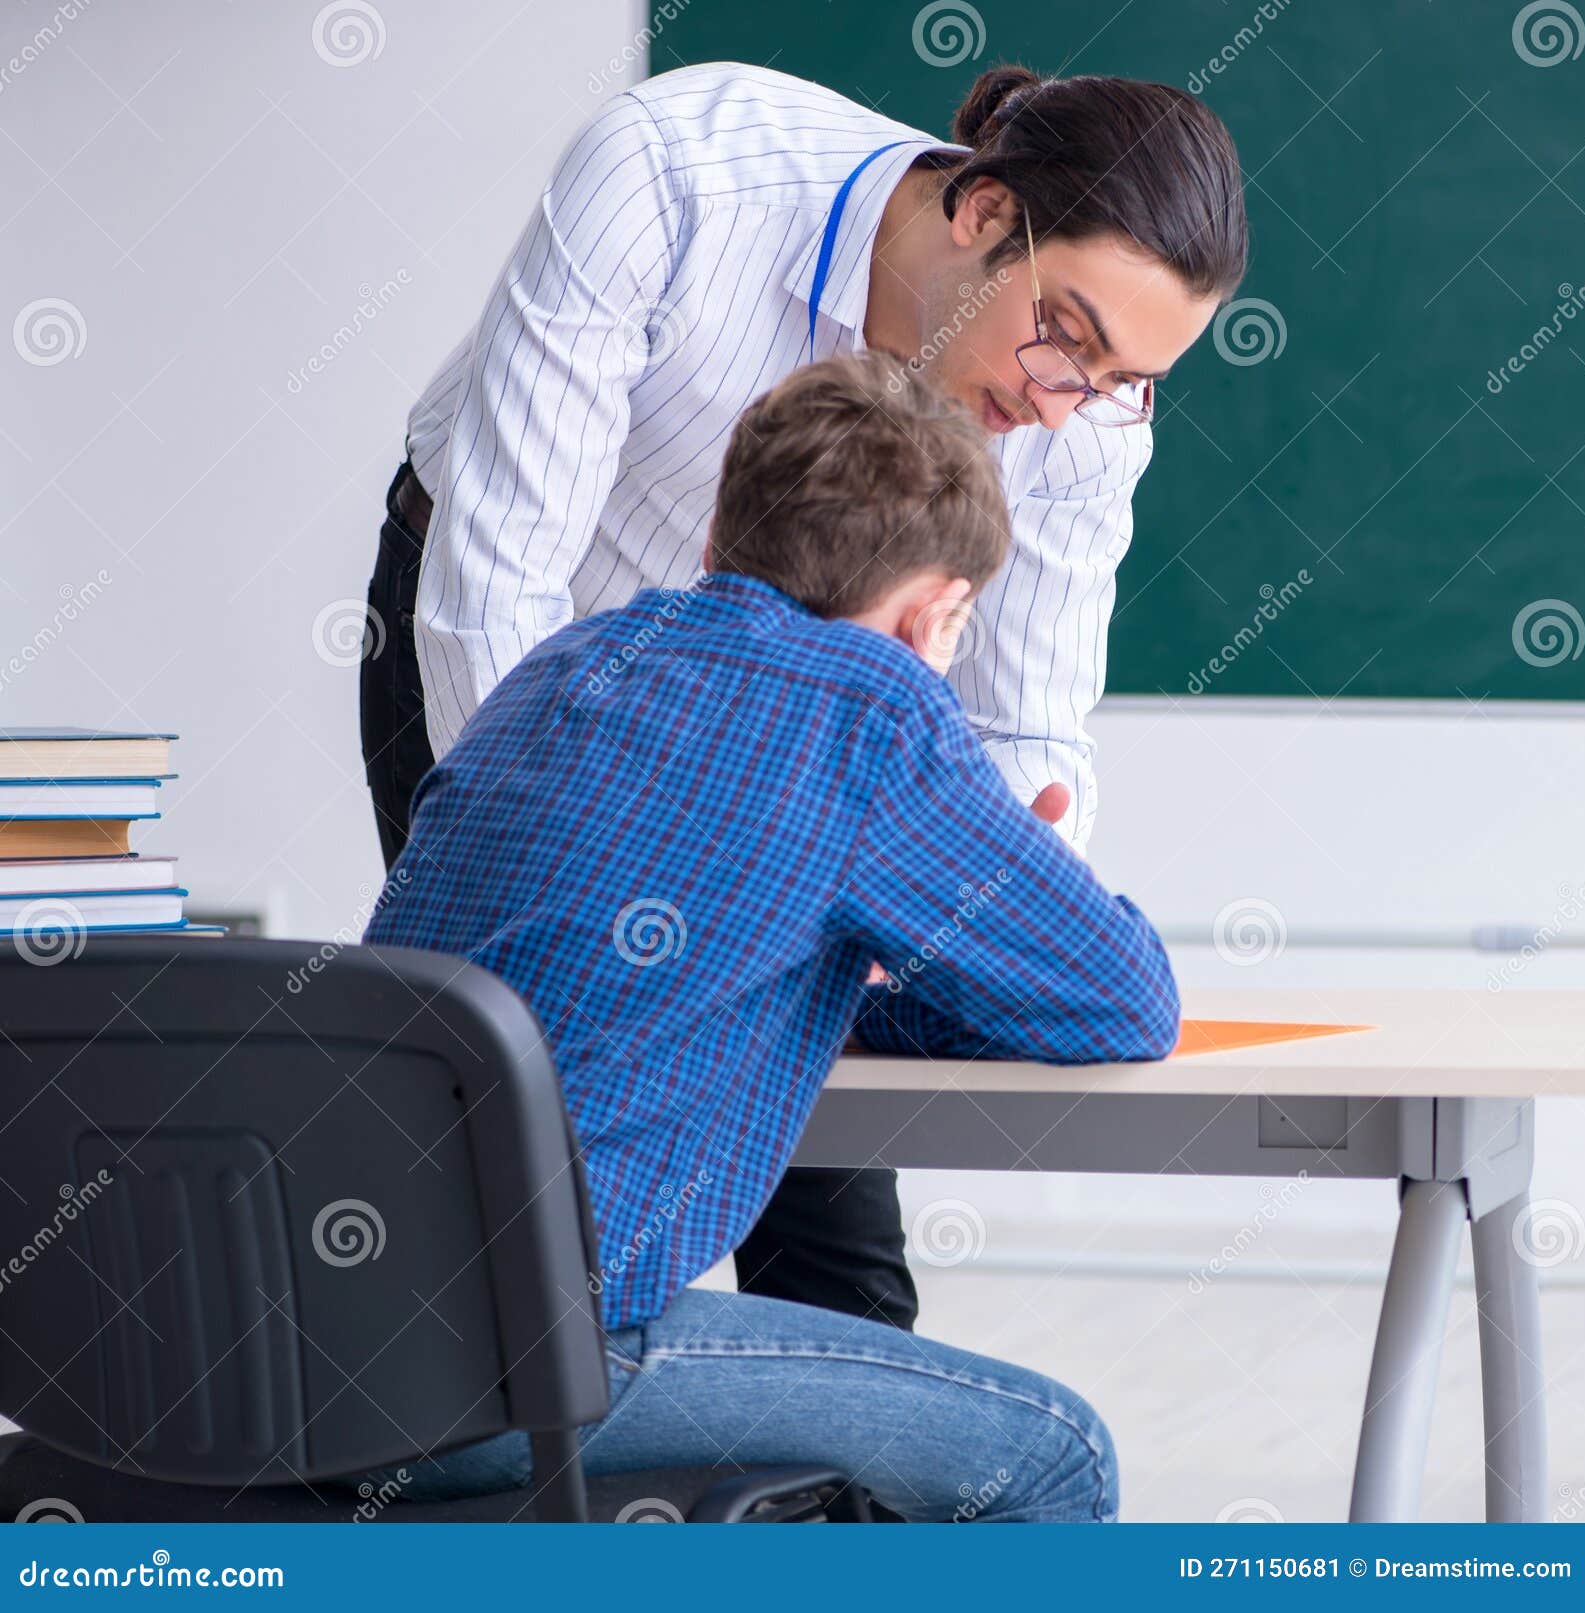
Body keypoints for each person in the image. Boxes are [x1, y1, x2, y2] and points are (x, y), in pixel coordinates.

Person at [361, 58, 1242, 1335]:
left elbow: (1026, 725)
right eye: (1068, 336)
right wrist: (615, 857)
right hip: (533, 665)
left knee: (827, 1203)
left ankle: (804, 1471)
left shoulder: (1081, 423)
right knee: (536, 1099)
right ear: (983, 214)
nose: (1064, 407)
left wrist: (966, 906)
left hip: (802, 732)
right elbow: (497, 583)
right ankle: (469, 1436)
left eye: (1121, 381)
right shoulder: (679, 174)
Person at [361, 353, 1179, 1522]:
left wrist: (861, 954)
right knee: (1052, 1454)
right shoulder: (872, 705)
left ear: (714, 542)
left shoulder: (566, 664)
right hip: (503, 1374)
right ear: (933, 613)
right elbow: (1125, 999)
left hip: (276, 1335)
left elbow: (710, 967)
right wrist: (1010, 857)